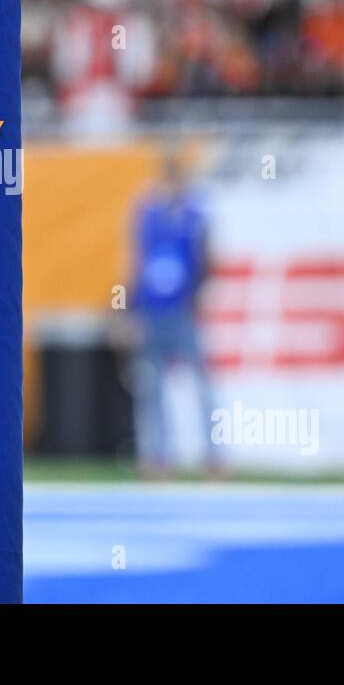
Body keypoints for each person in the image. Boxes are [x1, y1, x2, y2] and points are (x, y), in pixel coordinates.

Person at [129, 149, 218, 477]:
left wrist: (195, 297)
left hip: (181, 311)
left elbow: (206, 259)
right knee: (151, 388)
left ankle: (213, 455)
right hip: (152, 312)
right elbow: (137, 262)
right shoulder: (147, 214)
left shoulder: (194, 216)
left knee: (201, 384)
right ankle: (157, 456)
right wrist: (130, 311)